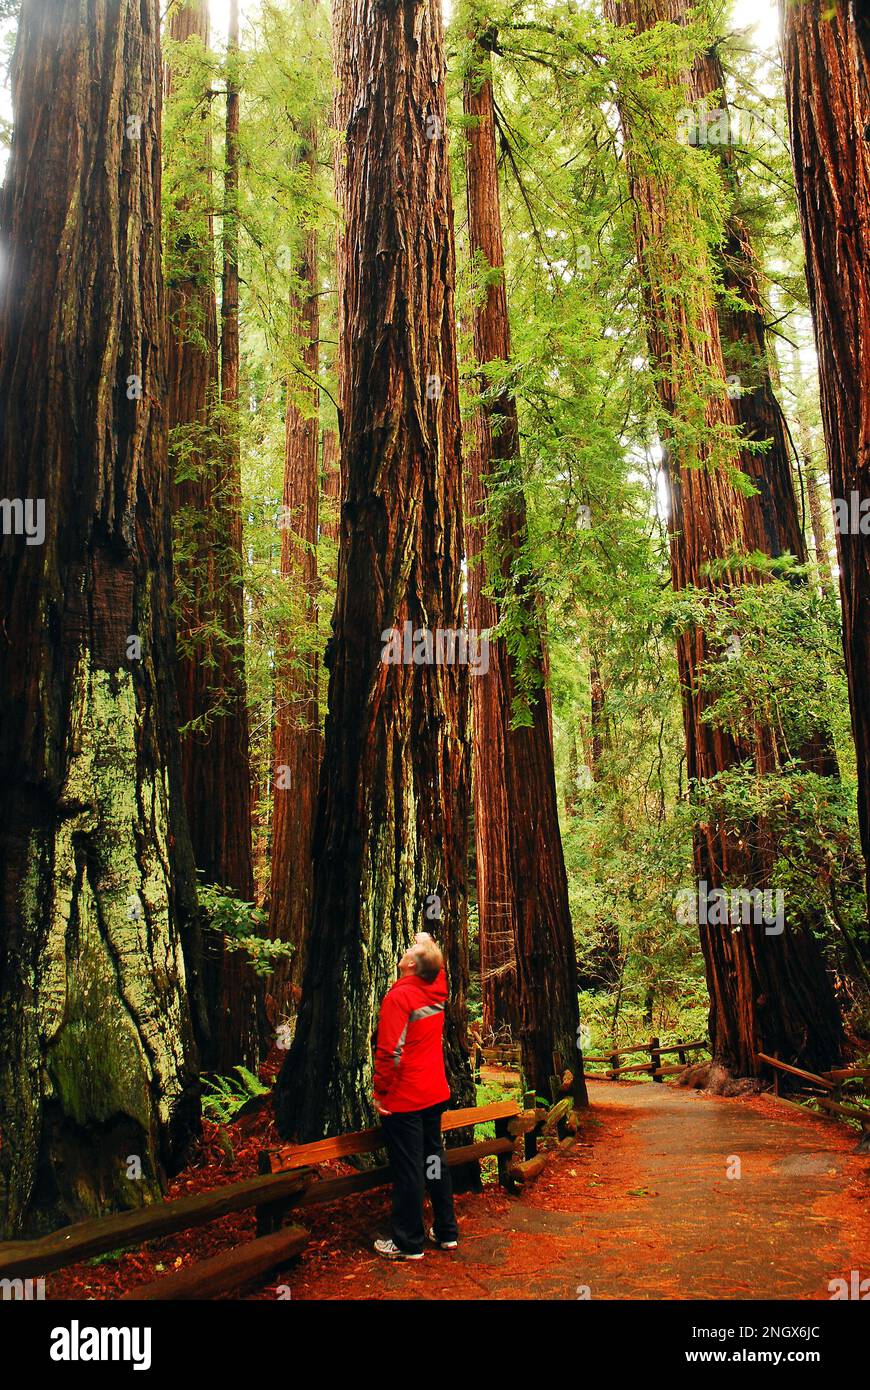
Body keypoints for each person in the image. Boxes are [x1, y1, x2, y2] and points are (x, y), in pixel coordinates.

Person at [372, 931, 460, 1260]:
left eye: (412, 948)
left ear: (410, 964)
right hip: (434, 1091)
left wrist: (381, 1092)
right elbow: (437, 964)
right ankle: (447, 1231)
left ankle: (408, 1243)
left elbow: (389, 1053)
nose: (408, 947)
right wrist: (428, 940)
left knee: (409, 1168)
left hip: (406, 1096)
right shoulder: (437, 987)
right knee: (434, 1159)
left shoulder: (398, 998)